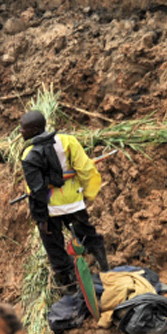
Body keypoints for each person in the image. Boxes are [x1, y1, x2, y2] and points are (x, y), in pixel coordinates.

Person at [18, 111, 109, 292]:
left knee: (55, 249)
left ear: (34, 130)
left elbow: (36, 191)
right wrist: (87, 195)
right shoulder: (68, 141)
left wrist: (41, 218)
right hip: (73, 202)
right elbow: (86, 169)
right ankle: (106, 270)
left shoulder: (29, 154)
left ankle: (71, 288)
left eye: (23, 128)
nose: (20, 132)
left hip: (50, 209)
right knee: (88, 236)